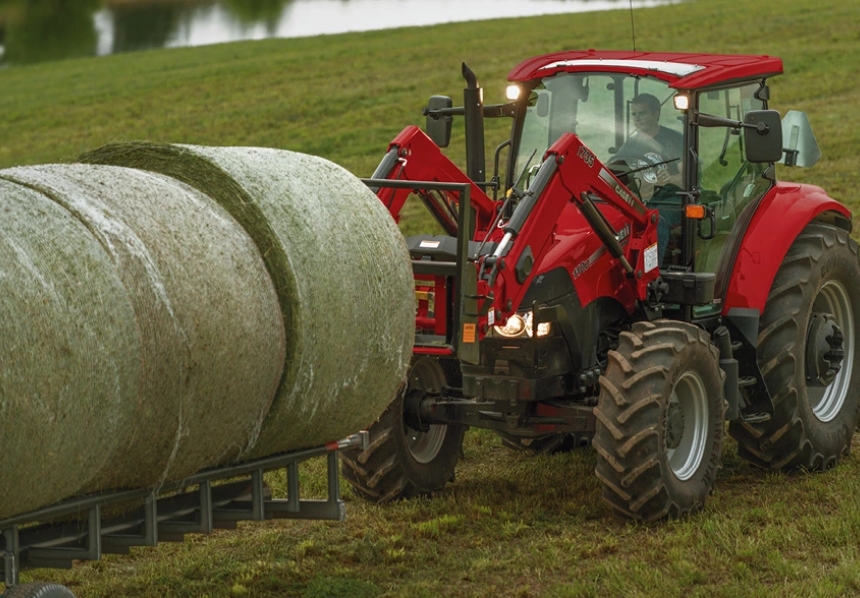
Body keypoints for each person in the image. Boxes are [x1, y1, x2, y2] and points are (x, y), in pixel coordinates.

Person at [616, 93, 684, 265]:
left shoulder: (675, 140)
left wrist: (670, 179)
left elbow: (688, 178)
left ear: (656, 114)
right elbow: (615, 173)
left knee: (656, 222)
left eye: (642, 113)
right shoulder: (630, 145)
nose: (637, 118)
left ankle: (651, 275)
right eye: (634, 114)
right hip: (643, 201)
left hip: (673, 199)